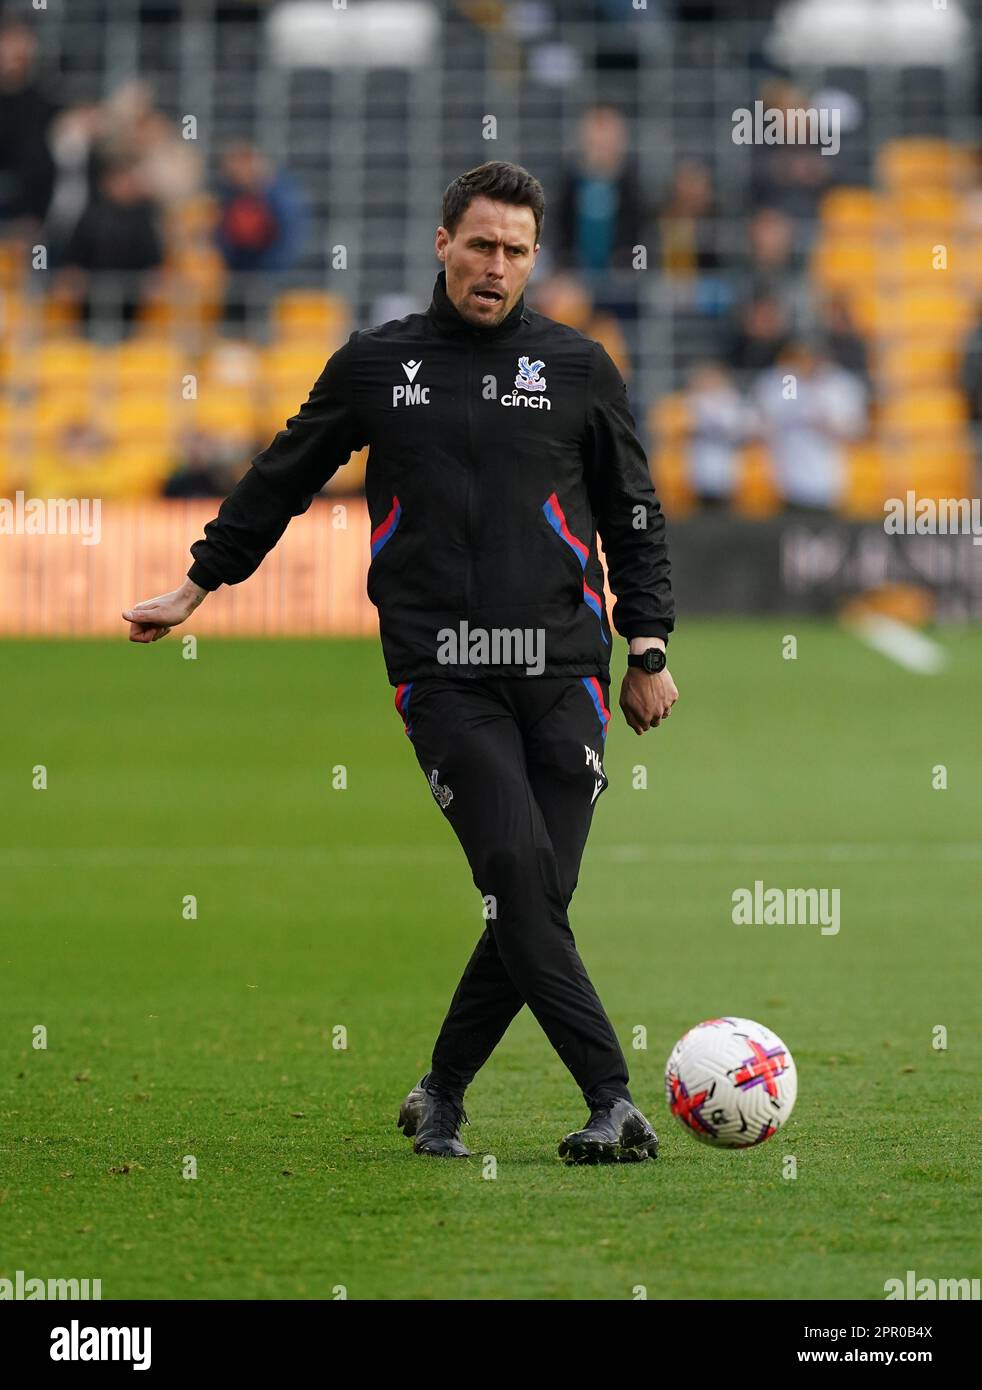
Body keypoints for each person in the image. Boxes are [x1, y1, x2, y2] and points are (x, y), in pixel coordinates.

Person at [122, 161, 678, 1165]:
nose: (494, 267)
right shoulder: (376, 365)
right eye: (479, 246)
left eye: (514, 252)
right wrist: (200, 581)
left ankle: (442, 1093)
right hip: (445, 670)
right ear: (441, 244)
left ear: (532, 259)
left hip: (567, 671)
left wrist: (646, 644)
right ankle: (612, 1095)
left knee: (535, 893)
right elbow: (281, 476)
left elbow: (634, 516)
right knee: (513, 867)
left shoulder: (579, 367)